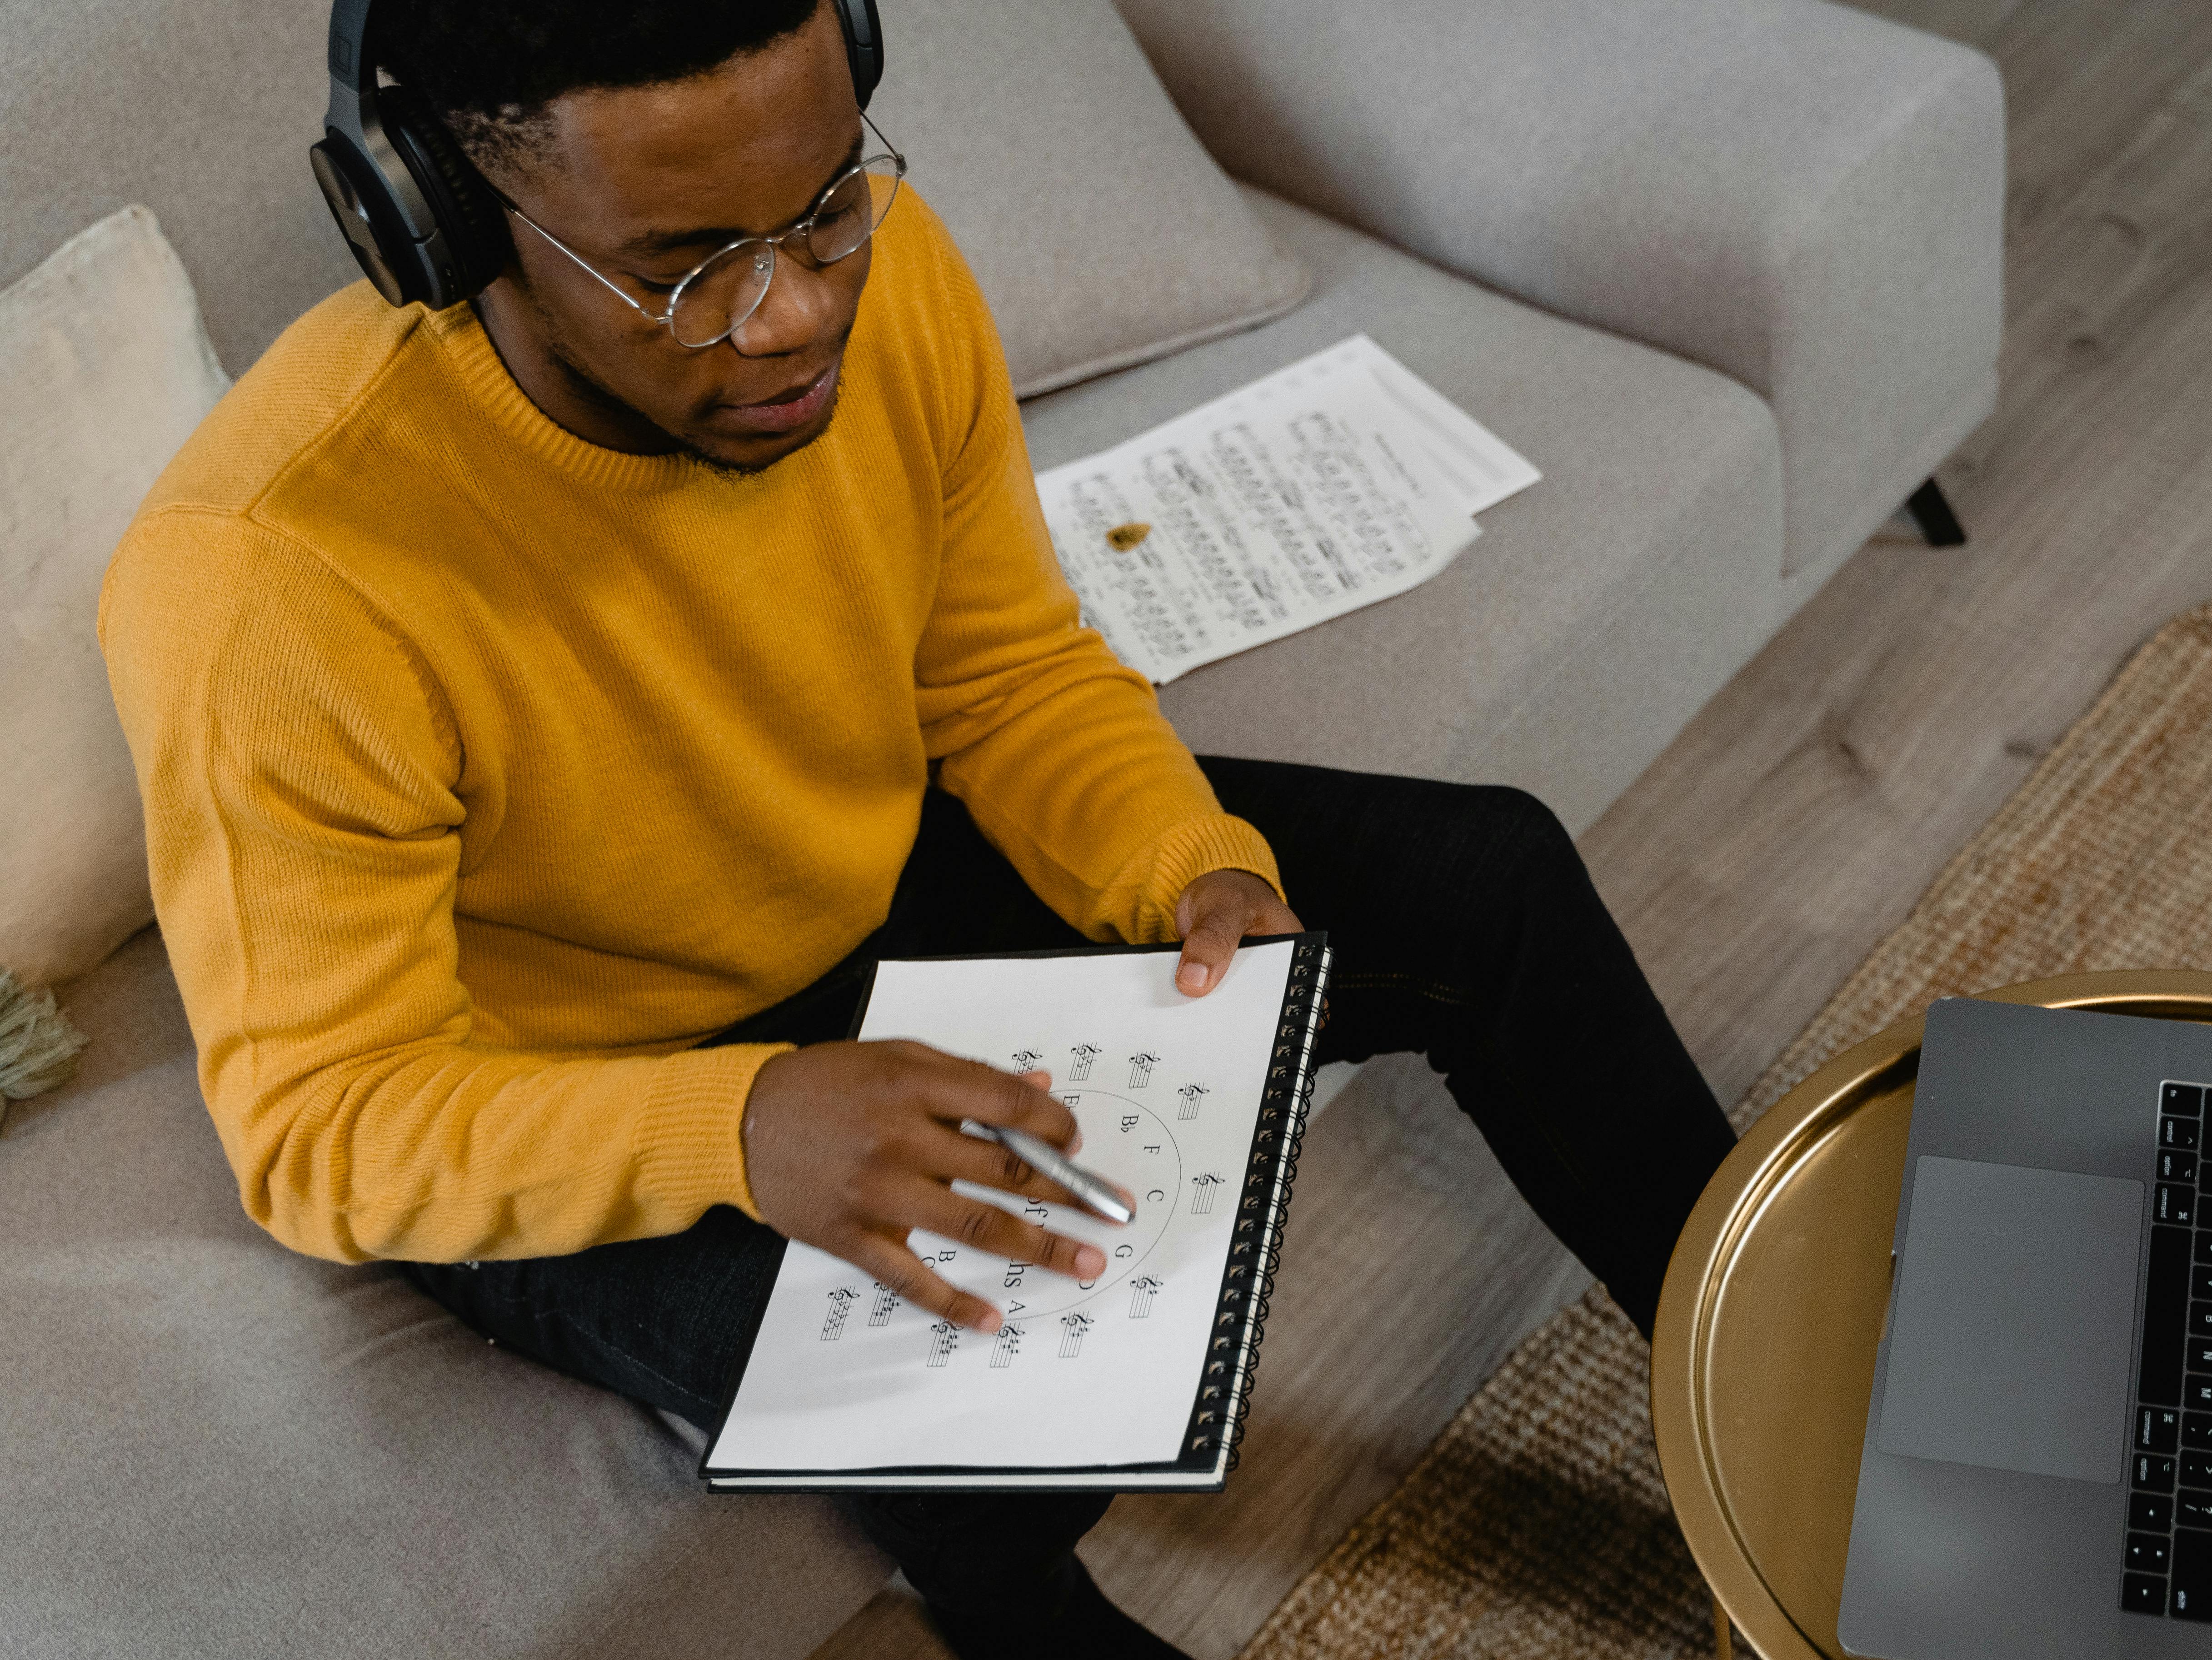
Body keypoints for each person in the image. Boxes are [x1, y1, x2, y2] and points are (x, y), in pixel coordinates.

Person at [98, 4, 1734, 1655]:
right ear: (444, 219)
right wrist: (745, 1123)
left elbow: (1007, 670)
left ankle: (1778, 1402)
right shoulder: (267, 582)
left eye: (825, 205)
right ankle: (1024, 1626)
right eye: (684, 268)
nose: (798, 313)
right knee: (966, 1409)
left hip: (862, 888)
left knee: (1492, 883)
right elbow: (323, 1127)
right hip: (561, 1088)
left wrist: (1189, 863)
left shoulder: (892, 282)